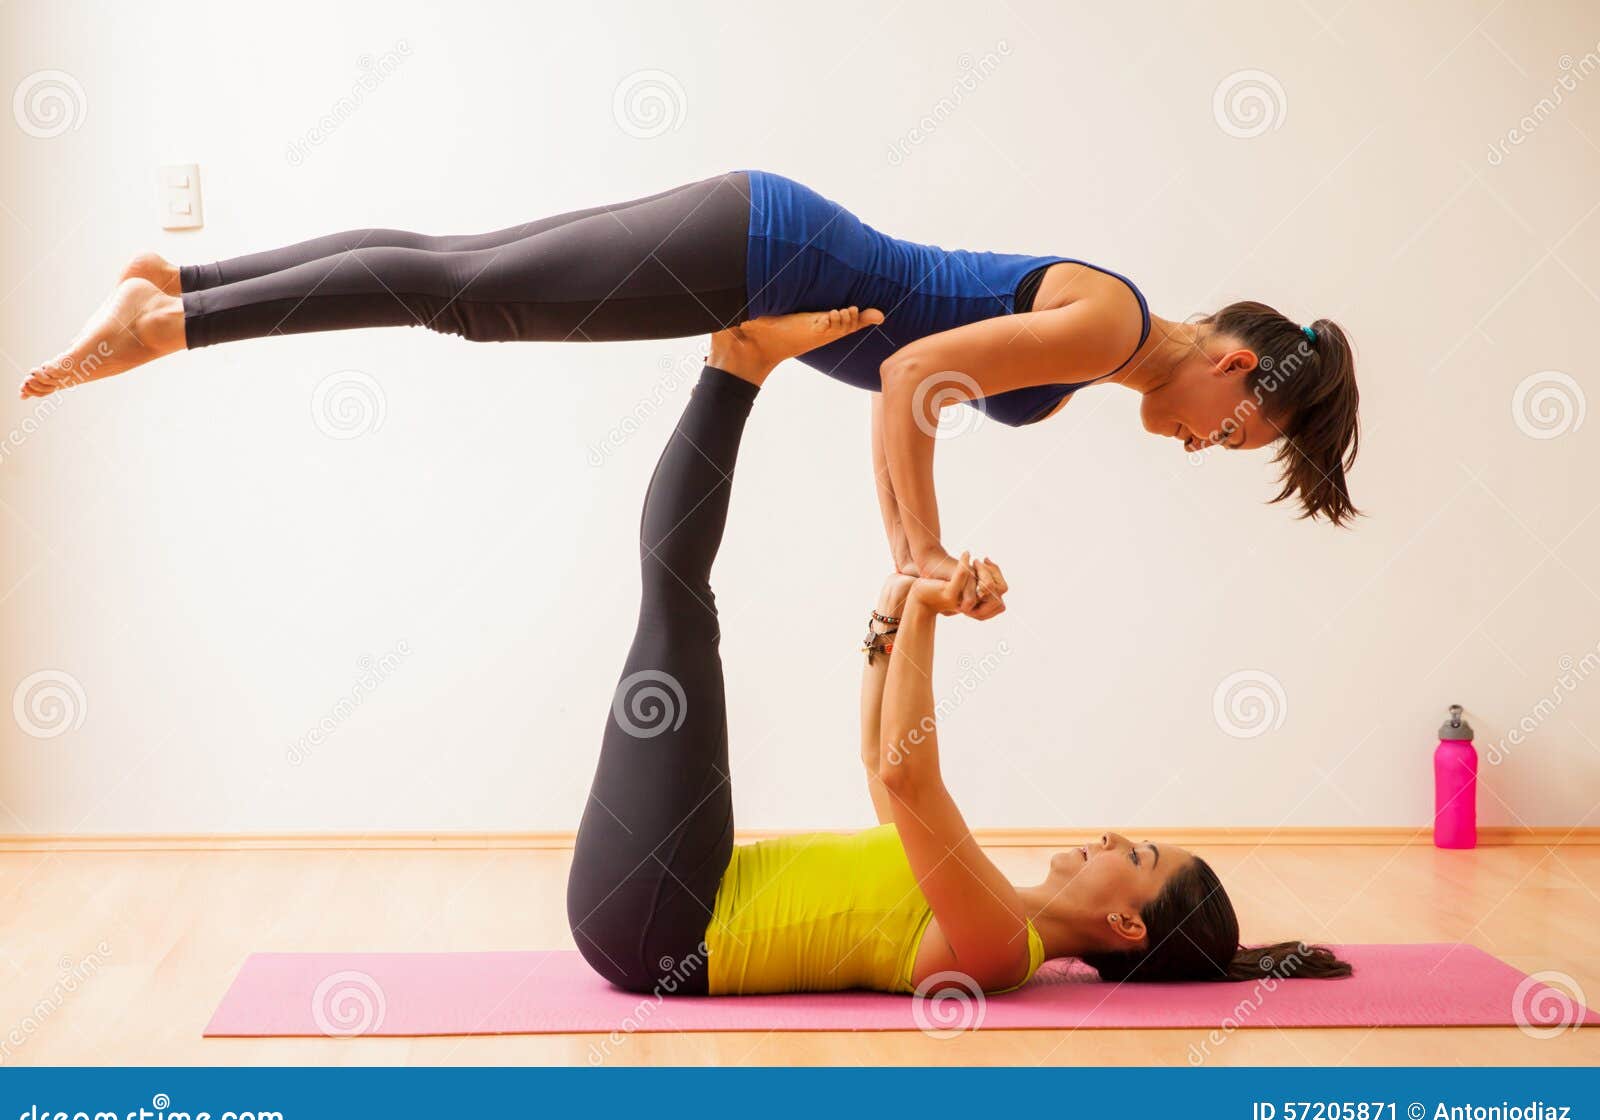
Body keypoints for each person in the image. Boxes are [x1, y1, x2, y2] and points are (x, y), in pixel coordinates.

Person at [21, 170, 1361, 617]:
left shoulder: (1101, 348)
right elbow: (906, 374)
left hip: (761, 250)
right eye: (1236, 431)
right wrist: (921, 555)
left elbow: (922, 369)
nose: (1205, 445)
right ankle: (171, 319)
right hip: (763, 248)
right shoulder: (1113, 325)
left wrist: (945, 560)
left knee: (465, 275)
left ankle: (177, 286)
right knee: (475, 294)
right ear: (1239, 369)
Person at [565, 303, 1351, 996]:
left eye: (1139, 855)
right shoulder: (985, 894)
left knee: (679, 601)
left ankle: (735, 366)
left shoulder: (1006, 947)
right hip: (670, 900)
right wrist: (904, 597)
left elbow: (910, 774)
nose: (1114, 834)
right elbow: (881, 763)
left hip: (665, 920)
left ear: (1126, 923)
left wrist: (932, 611)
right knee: (679, 603)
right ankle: (735, 364)